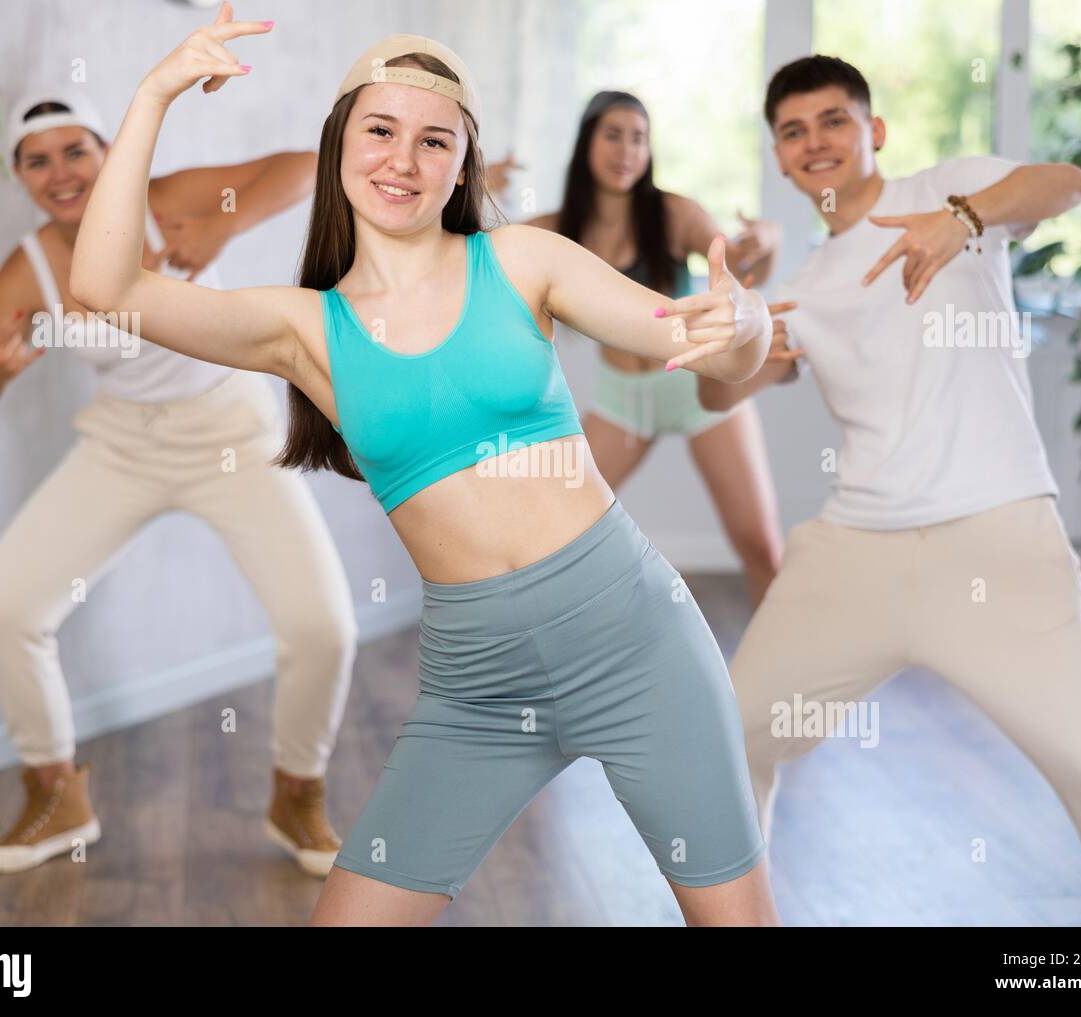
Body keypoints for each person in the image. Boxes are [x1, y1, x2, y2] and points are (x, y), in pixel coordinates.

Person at [70, 4, 780, 927]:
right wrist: (155, 95)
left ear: (461, 162)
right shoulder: (303, 329)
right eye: (380, 131)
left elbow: (704, 340)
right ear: (339, 145)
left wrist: (748, 324)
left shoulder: (525, 261)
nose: (403, 160)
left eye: (433, 139)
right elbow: (104, 287)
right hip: (479, 685)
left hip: (635, 640)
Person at [700, 54, 1081, 926]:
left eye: (834, 120)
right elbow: (718, 393)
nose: (816, 142)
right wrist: (733, 331)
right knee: (727, 745)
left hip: (999, 536)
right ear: (778, 156)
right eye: (794, 131)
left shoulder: (953, 188)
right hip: (855, 555)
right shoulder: (802, 291)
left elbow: (1064, 182)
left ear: (873, 130)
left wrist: (963, 218)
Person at [0, 84, 358, 879]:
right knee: (0, 613)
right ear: (21, 176)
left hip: (229, 432)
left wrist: (227, 219)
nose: (60, 171)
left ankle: (297, 794)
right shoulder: (30, 266)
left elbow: (314, 166)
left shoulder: (166, 201)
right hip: (123, 447)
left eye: (77, 150)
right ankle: (57, 794)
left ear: (110, 154)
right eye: (37, 160)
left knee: (324, 628)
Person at [525, 90, 787, 606]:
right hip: (622, 401)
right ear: (587, 144)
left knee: (759, 547)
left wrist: (771, 240)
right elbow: (479, 256)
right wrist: (476, 181)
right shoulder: (556, 231)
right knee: (551, 535)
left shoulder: (675, 214)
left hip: (697, 389)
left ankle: (783, 675)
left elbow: (741, 274)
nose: (627, 150)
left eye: (639, 139)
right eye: (614, 135)